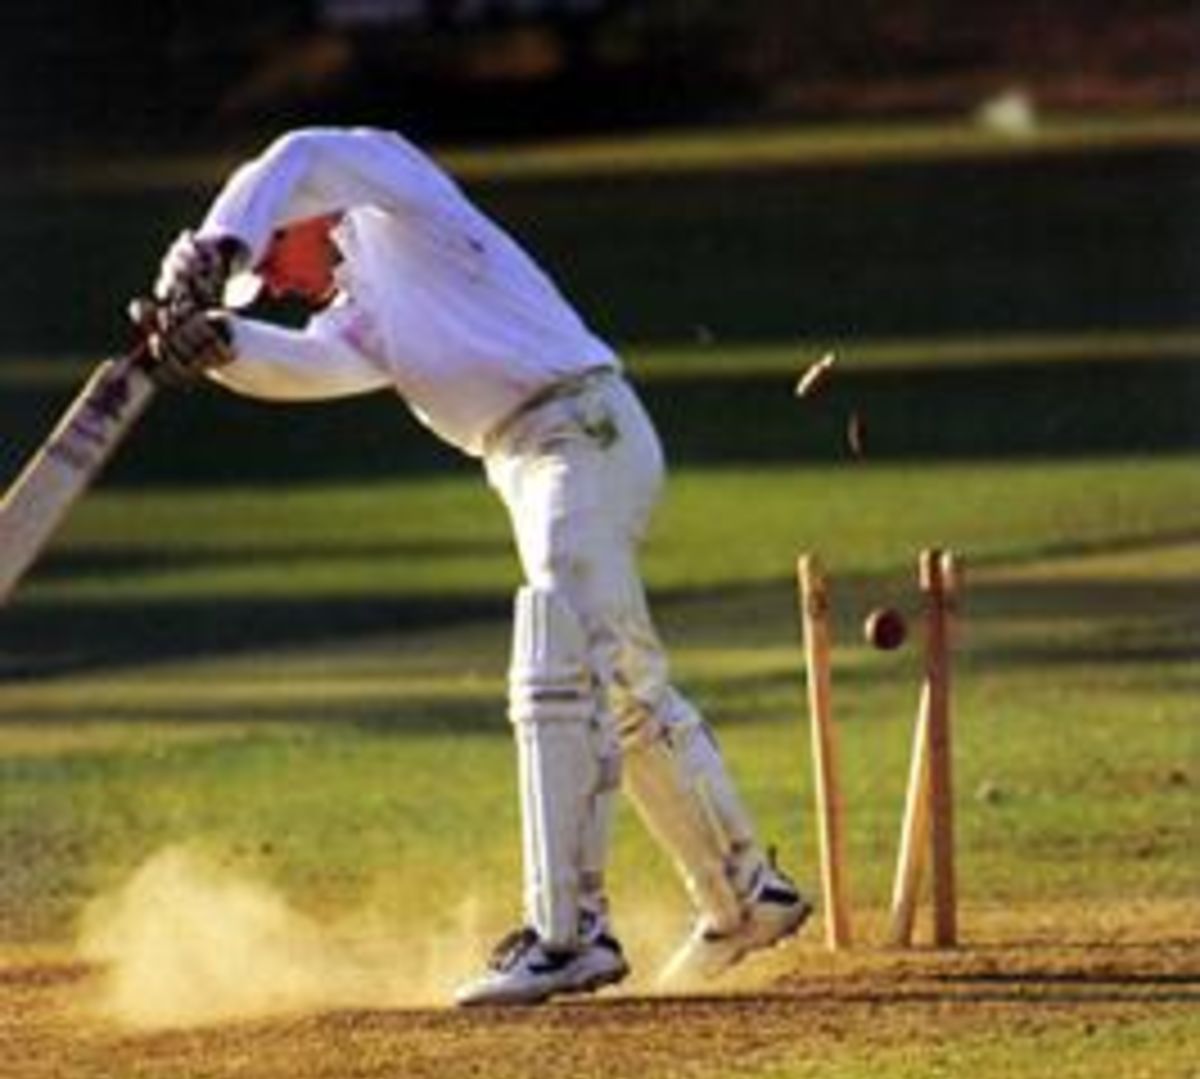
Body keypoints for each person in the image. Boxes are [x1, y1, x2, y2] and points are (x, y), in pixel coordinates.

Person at [143, 127, 811, 1007]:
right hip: (540, 455)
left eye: (269, 258)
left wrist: (215, 244)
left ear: (297, 216)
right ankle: (744, 891)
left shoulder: (398, 194)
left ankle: (567, 934)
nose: (274, 283)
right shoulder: (364, 313)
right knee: (616, 681)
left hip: (579, 428)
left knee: (555, 658)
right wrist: (222, 344)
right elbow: (313, 367)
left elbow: (299, 154)